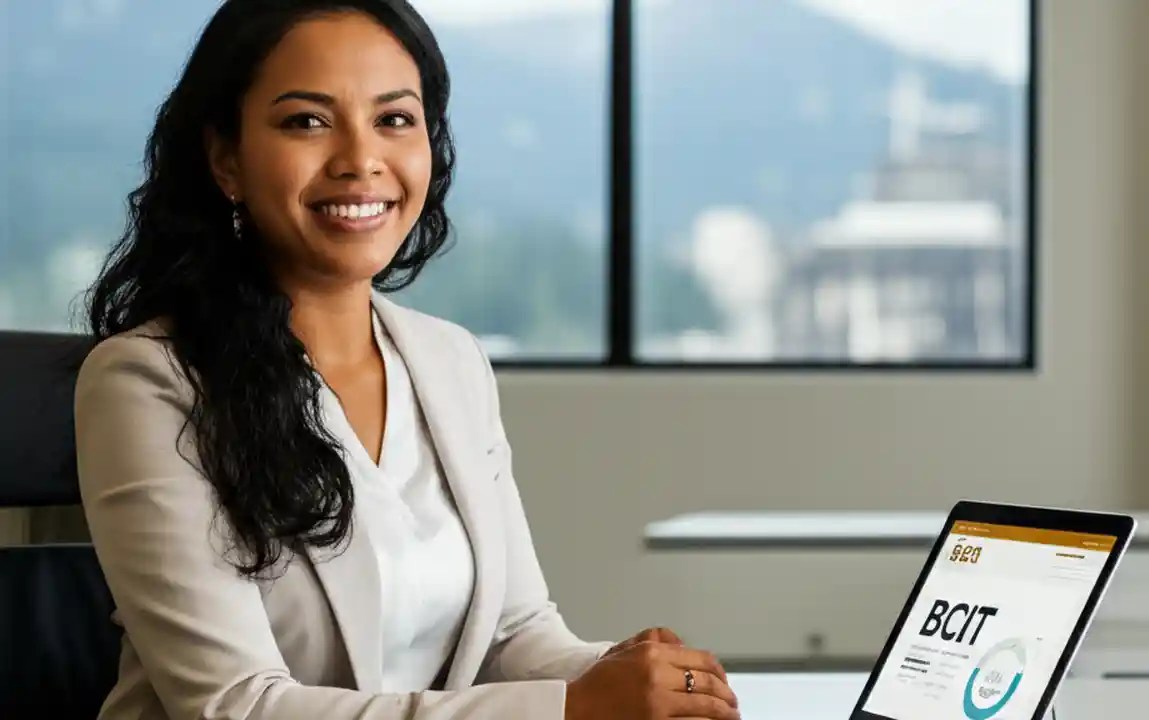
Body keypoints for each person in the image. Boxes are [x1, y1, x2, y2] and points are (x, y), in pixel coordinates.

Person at [74, 1, 740, 718]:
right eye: (307, 120)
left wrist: (625, 674)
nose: (361, 160)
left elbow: (512, 636)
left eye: (394, 120)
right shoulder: (149, 381)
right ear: (225, 158)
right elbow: (234, 706)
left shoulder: (450, 361)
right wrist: (573, 709)